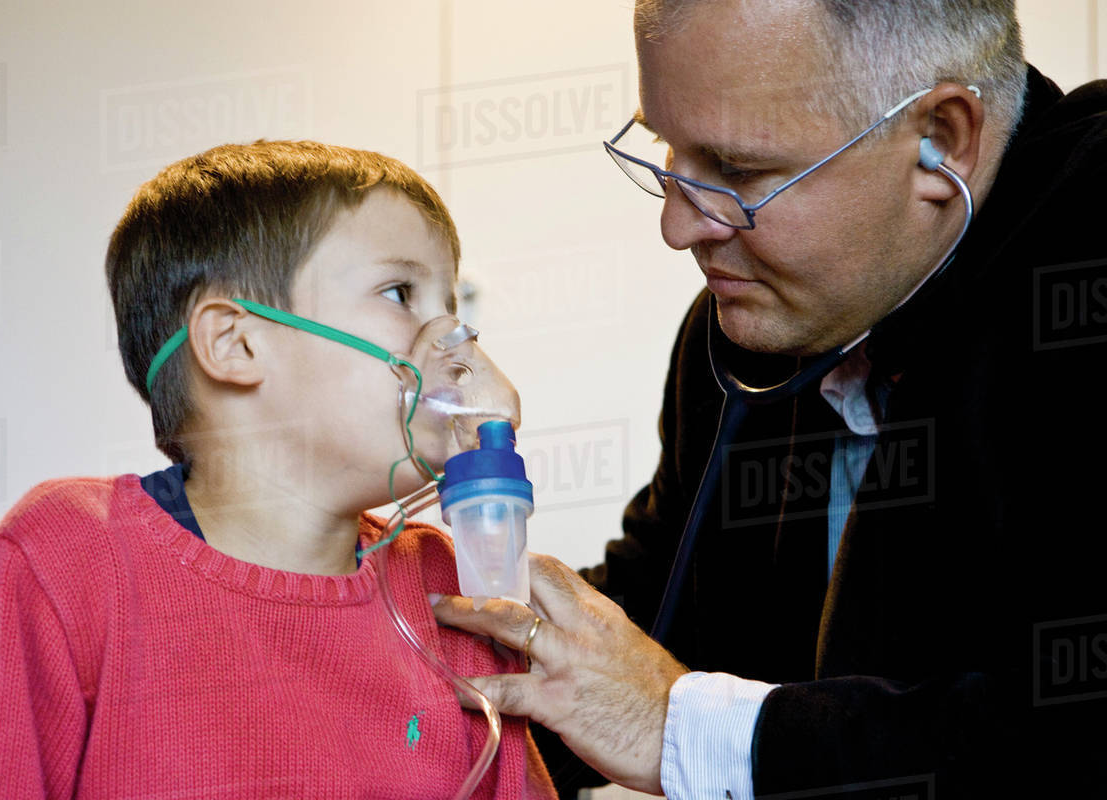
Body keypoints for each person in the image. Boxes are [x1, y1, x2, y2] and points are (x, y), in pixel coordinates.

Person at [431, 1, 1107, 798]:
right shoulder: (750, 331)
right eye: (668, 151)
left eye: (741, 172)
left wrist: (674, 723)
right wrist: (396, 660)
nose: (677, 227)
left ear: (942, 140)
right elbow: (654, 609)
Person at [0, 140, 557, 799]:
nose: (454, 342)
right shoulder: (71, 559)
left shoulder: (445, 589)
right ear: (235, 343)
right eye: (400, 293)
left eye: (453, 306)